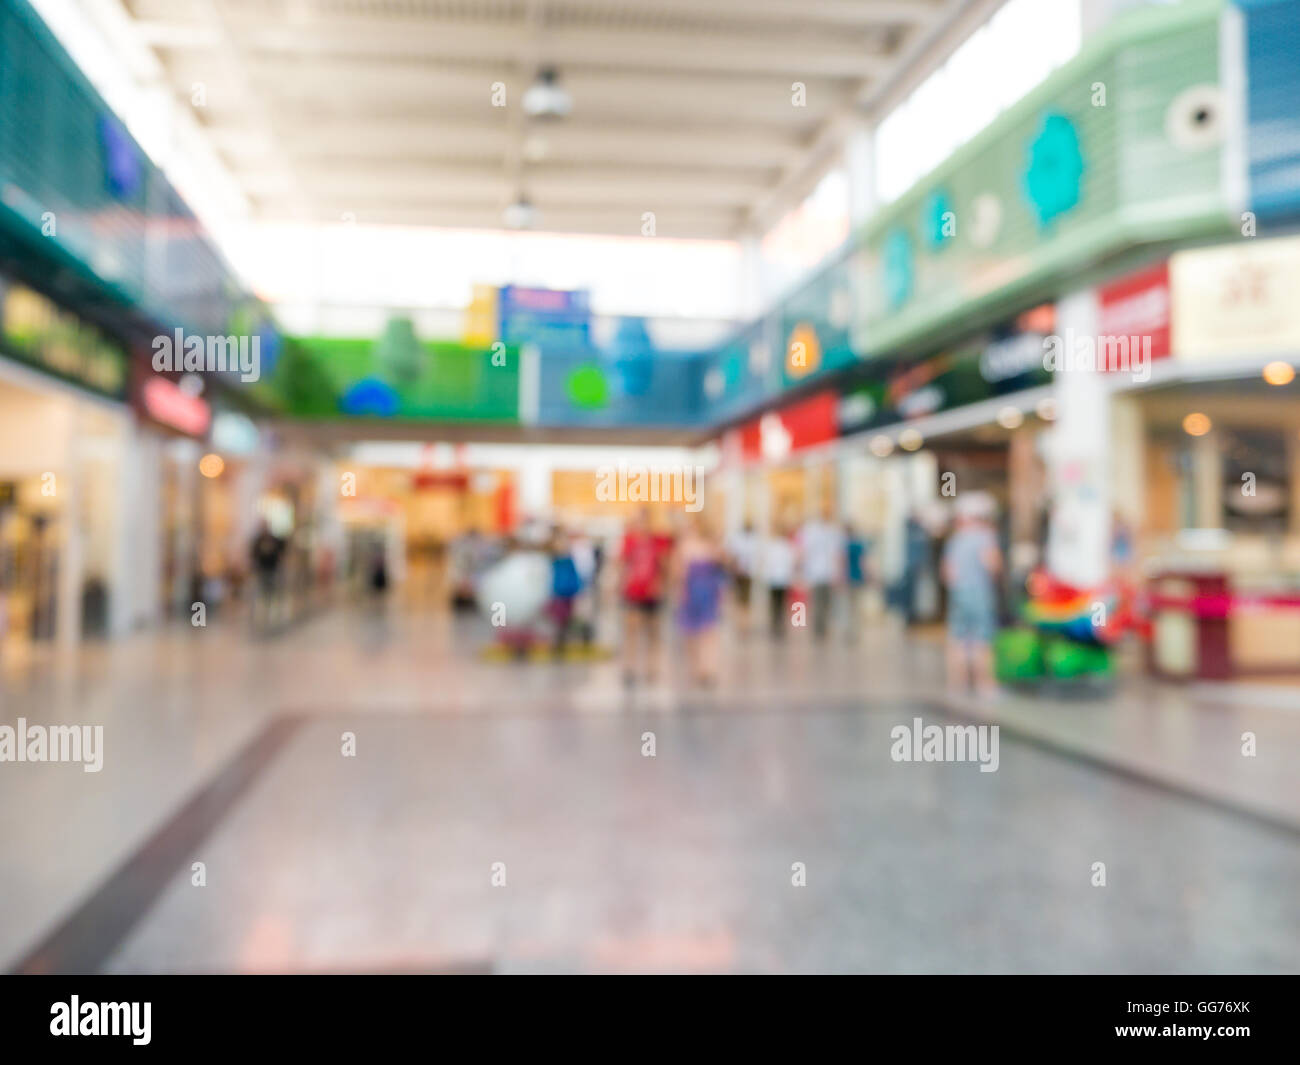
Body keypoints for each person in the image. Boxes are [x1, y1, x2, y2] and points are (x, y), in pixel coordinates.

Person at [941, 493, 1003, 698]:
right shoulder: (985, 536)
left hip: (959, 592)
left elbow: (948, 572)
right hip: (979, 591)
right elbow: (991, 564)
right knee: (982, 639)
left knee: (958, 638)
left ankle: (956, 686)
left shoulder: (956, 539)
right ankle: (985, 685)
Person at [619, 508, 670, 686]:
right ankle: (630, 667)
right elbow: (623, 564)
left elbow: (664, 565)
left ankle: (652, 667)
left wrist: (661, 584)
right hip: (634, 590)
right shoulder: (629, 540)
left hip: (652, 591)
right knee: (631, 630)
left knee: (653, 632)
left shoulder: (658, 541)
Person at [674, 517, 726, 686]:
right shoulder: (684, 547)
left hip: (707, 592)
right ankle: (696, 666)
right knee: (691, 633)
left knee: (708, 631)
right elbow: (678, 572)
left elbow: (723, 564)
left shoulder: (709, 546)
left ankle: (707, 668)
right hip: (692, 591)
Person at [798, 507, 844, 641]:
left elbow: (837, 554)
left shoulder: (832, 532)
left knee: (826, 602)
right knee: (818, 602)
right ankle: (818, 629)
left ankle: (823, 628)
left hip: (827, 573)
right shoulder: (814, 531)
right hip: (817, 572)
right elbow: (806, 551)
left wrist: (838, 573)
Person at [547, 527, 582, 657]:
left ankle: (562, 643)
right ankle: (557, 644)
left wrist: (577, 589)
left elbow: (575, 576)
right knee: (557, 620)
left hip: (568, 594)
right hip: (557, 594)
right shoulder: (553, 560)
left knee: (566, 620)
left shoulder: (569, 560)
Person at [249, 520, 286, 632]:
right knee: (261, 592)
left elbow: (281, 553)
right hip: (262, 571)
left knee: (273, 592)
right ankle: (261, 614)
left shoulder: (275, 540)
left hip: (273, 570)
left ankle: (273, 613)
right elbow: (253, 555)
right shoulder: (257, 541)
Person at [761, 523, 796, 640]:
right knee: (780, 603)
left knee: (775, 603)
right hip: (781, 579)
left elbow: (768, 563)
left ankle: (776, 623)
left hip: (776, 579)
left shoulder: (775, 546)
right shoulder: (784, 546)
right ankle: (778, 623)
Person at [725, 522, 758, 635]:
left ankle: (745, 621)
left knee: (746, 597)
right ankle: (740, 620)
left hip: (749, 572)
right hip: (739, 572)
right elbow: (733, 555)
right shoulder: (737, 539)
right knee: (739, 597)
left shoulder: (754, 539)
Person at [843, 523, 870, 644]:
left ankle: (850, 631)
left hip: (849, 578)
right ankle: (856, 632)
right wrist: (867, 575)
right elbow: (864, 562)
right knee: (857, 607)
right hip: (858, 578)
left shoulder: (846, 546)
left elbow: (842, 562)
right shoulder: (859, 545)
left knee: (849, 607)